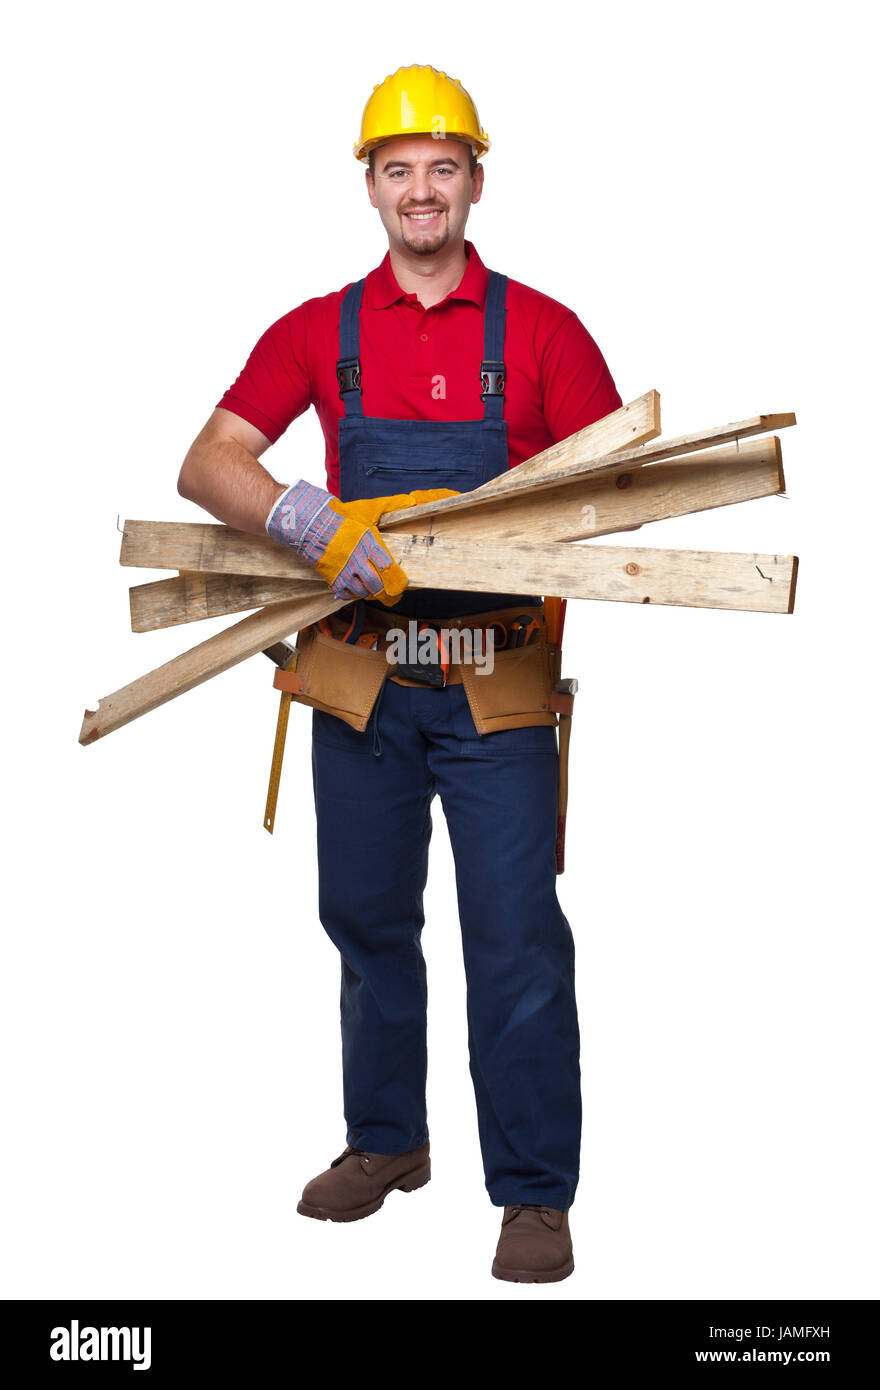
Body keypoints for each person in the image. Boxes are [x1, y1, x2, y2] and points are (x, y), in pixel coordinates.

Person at [178, 64, 622, 1284]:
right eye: (397, 169)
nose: (420, 190)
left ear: (475, 178)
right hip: (359, 686)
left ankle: (532, 1192)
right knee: (367, 922)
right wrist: (305, 522)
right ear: (369, 186)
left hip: (499, 689)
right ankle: (385, 1142)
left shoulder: (540, 332)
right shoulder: (321, 330)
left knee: (516, 938)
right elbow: (207, 461)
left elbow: (612, 494)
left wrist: (500, 534)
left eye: (442, 166)